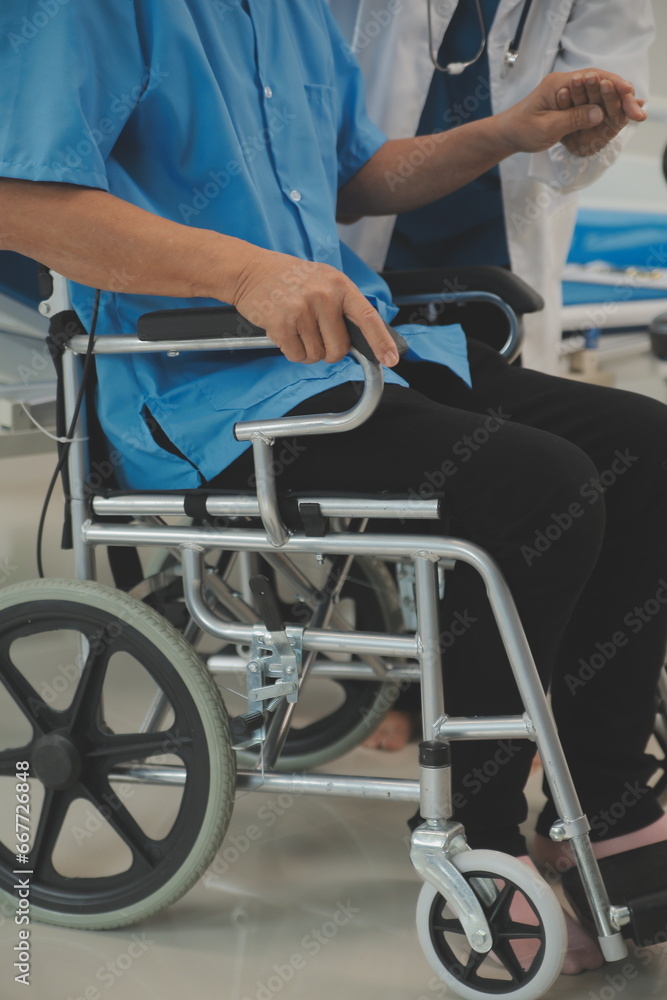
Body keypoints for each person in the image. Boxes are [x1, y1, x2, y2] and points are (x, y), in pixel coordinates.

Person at [0, 0, 664, 975]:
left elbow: (356, 178)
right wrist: (244, 275)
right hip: (200, 392)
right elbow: (23, 202)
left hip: (359, 356)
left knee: (646, 448)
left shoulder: (292, 10)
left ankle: (606, 804)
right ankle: (478, 832)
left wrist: (506, 132)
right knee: (535, 487)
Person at [329, 0, 655, 373]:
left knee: (500, 410)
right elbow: (342, 179)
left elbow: (611, 89)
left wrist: (588, 135)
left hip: (497, 246)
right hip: (362, 235)